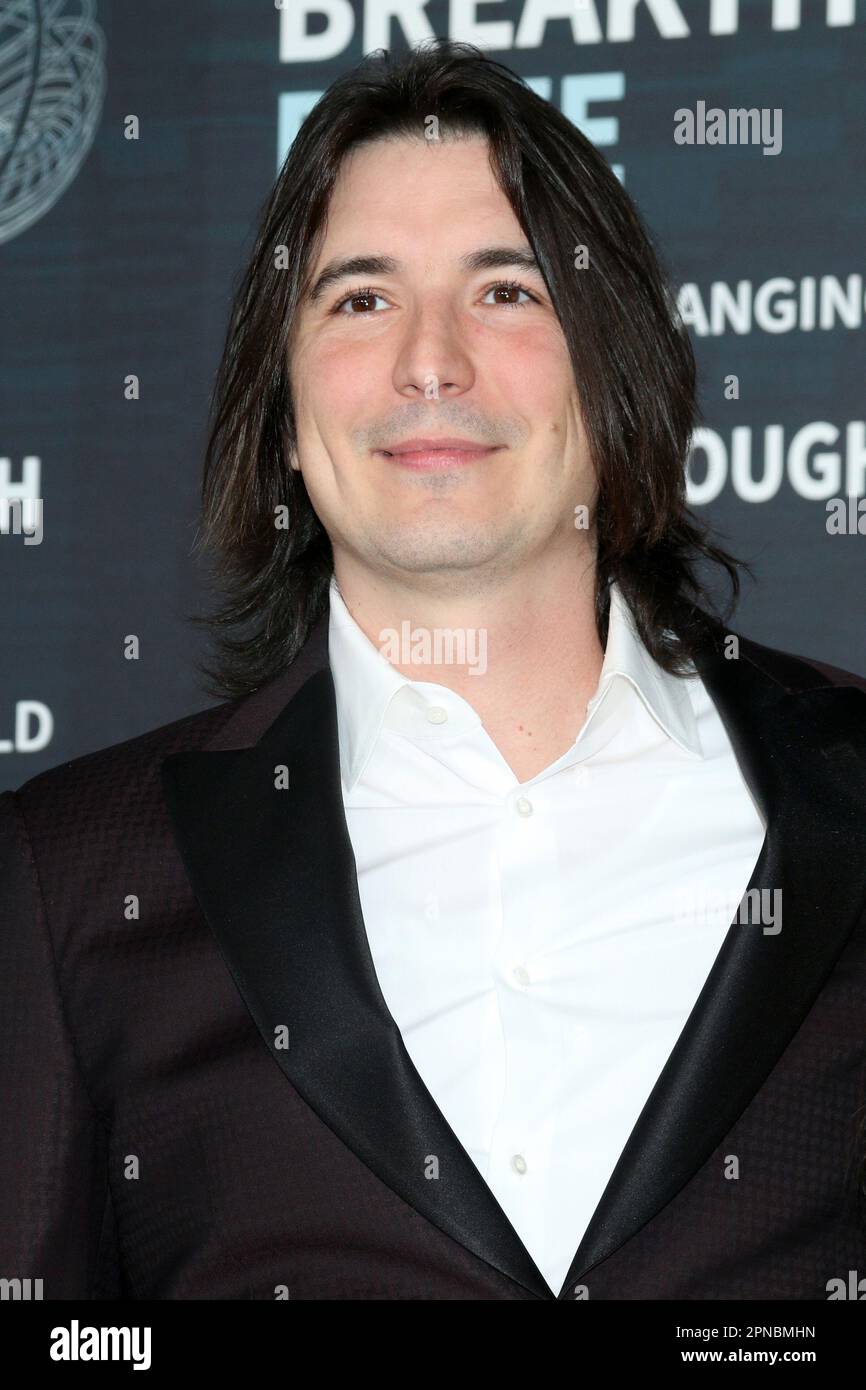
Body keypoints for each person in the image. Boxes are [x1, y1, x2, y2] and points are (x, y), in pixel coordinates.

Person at [2, 39, 865, 1302]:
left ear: (609, 366)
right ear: (284, 410)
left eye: (505, 290)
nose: (428, 361)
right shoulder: (69, 878)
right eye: (359, 297)